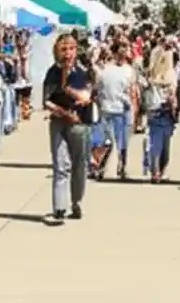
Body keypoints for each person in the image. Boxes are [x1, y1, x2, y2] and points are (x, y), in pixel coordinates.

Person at [42, 34, 93, 223]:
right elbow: (46, 100)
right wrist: (61, 111)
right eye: (63, 50)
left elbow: (86, 96)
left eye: (71, 49)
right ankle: (59, 208)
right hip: (59, 121)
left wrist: (67, 87)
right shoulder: (52, 72)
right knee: (60, 165)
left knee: (79, 165)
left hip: (79, 123)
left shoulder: (82, 71)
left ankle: (76, 201)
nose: (67, 54)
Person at [94, 41, 137, 180]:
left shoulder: (129, 70)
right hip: (107, 108)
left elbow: (132, 91)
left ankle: (121, 167)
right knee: (107, 142)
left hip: (122, 109)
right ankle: (101, 167)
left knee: (122, 142)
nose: (123, 54)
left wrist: (133, 109)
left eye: (125, 51)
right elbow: (97, 89)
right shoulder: (105, 70)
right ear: (114, 53)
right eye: (120, 51)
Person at [142, 45, 178, 183]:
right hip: (160, 111)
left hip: (162, 112)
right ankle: (157, 171)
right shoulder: (156, 75)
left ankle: (157, 170)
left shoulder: (168, 74)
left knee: (158, 143)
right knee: (160, 144)